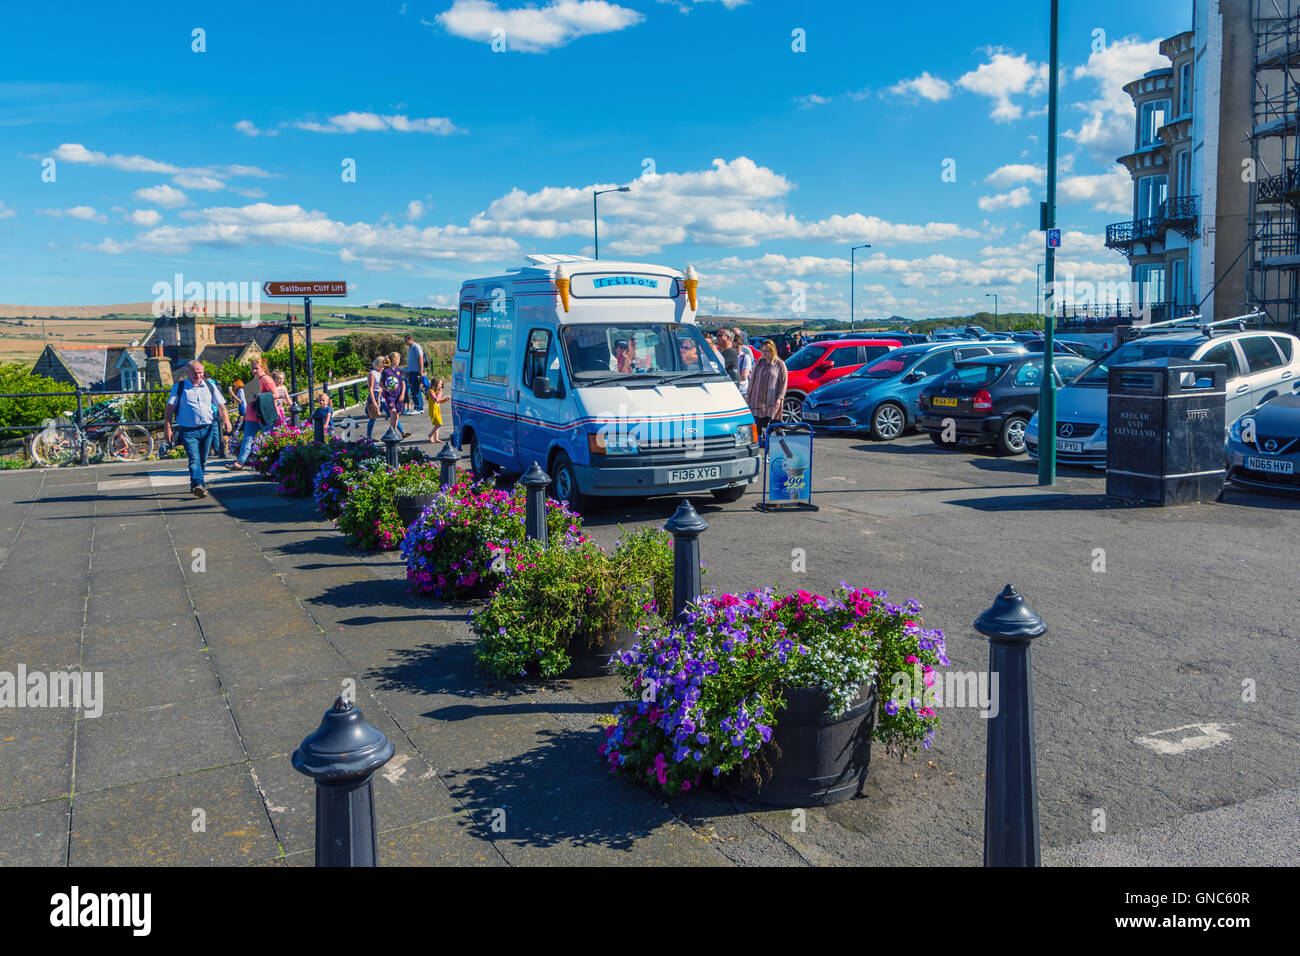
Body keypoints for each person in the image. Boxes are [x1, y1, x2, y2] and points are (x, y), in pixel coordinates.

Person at [163, 359, 231, 497]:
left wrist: (227, 420)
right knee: (194, 458)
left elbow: (221, 405)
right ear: (187, 373)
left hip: (207, 428)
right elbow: (169, 409)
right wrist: (167, 428)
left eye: (200, 372)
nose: (198, 375)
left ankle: (196, 483)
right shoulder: (179, 387)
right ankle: (198, 484)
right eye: (195, 373)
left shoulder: (209, 386)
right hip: (188, 430)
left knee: (203, 459)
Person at [227, 356, 276, 470]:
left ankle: (272, 461)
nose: (253, 371)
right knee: (247, 439)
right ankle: (240, 462)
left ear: (263, 368)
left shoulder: (266, 379)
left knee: (269, 438)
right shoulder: (256, 380)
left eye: (256, 368)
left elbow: (276, 394)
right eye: (252, 368)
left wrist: (259, 397)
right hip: (252, 415)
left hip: (263, 414)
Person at [747, 339, 788, 445]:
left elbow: (783, 384)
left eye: (767, 351)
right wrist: (748, 395)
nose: (764, 353)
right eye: (763, 350)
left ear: (772, 351)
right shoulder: (759, 362)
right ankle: (758, 445)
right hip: (757, 400)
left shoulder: (780, 364)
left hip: (772, 401)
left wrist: (780, 398)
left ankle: (770, 449)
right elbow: (752, 380)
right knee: (757, 425)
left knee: (772, 427)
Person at [381, 350, 407, 437]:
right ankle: (391, 431)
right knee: (393, 412)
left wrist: (402, 394)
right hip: (390, 396)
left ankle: (394, 432)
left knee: (396, 416)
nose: (399, 361)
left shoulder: (399, 371)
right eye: (398, 359)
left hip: (398, 396)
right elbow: (381, 384)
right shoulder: (385, 371)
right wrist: (386, 389)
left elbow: (403, 383)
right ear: (394, 360)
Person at [365, 356, 386, 439]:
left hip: (381, 395)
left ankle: (401, 432)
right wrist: (373, 401)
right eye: (383, 365)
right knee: (373, 418)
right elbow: (370, 388)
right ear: (379, 364)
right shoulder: (372, 373)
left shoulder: (382, 373)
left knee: (392, 413)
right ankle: (369, 436)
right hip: (374, 395)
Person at [404, 334, 425, 414]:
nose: (406, 343)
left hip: (416, 371)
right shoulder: (411, 348)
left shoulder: (416, 347)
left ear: (410, 339)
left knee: (416, 390)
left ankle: (419, 408)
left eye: (406, 341)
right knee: (413, 390)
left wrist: (421, 371)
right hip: (411, 372)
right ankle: (418, 407)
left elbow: (420, 358)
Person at [426, 377, 451, 443]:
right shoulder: (431, 392)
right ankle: (430, 435)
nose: (441, 386)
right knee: (439, 424)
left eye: (441, 384)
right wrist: (440, 393)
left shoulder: (435, 392)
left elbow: (438, 401)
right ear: (435, 384)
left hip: (437, 409)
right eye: (440, 384)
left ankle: (436, 438)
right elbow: (436, 399)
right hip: (433, 410)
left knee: (437, 424)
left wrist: (445, 400)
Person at [734, 327, 753, 395]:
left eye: (737, 347)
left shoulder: (746, 356)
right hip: (733, 390)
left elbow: (744, 376)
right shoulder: (730, 356)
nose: (735, 349)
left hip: (743, 391)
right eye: (733, 347)